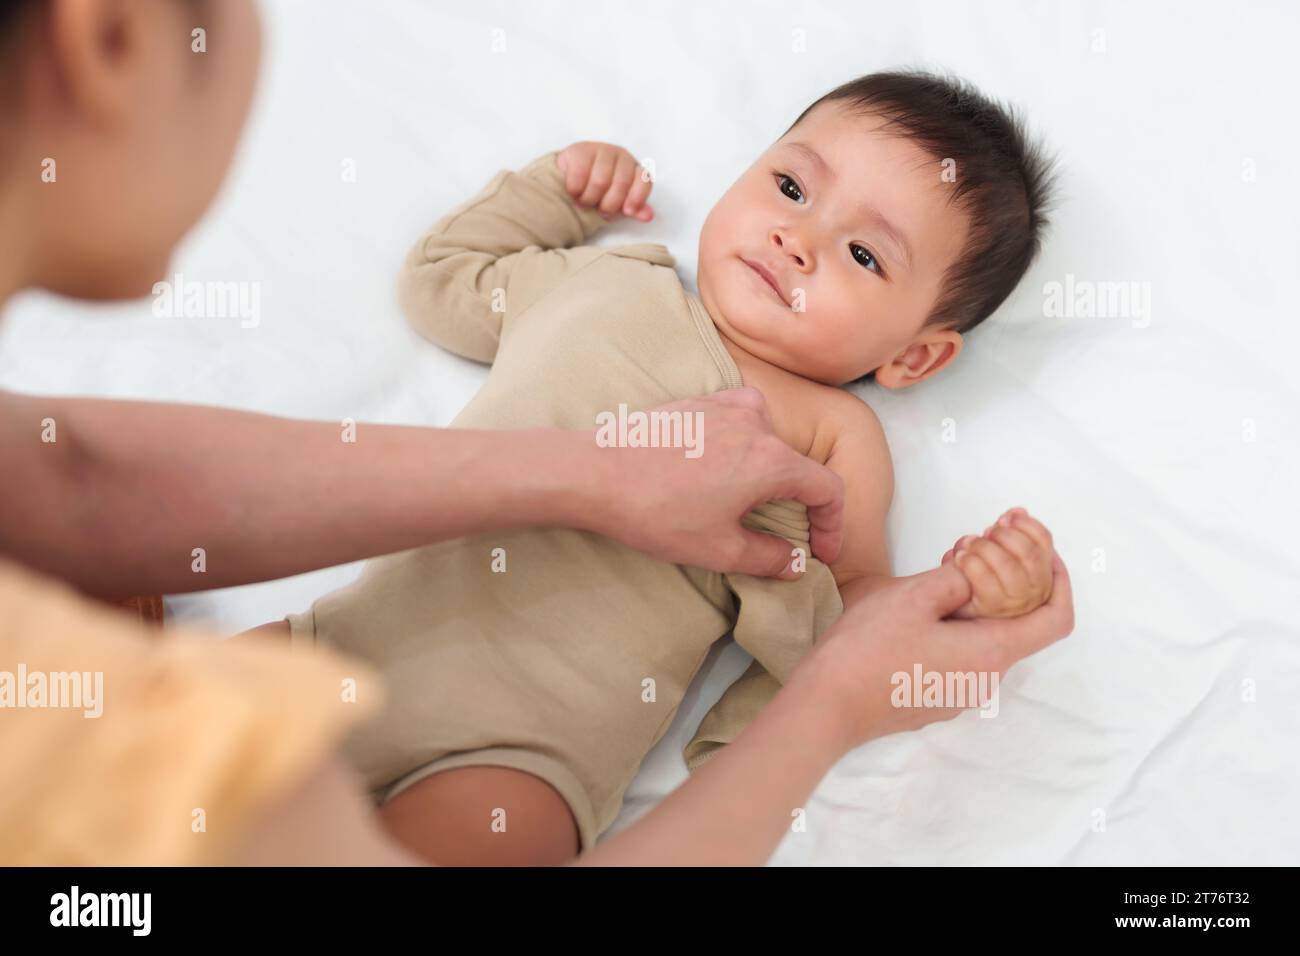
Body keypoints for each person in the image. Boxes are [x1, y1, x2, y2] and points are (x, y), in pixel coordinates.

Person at [0, 0, 1074, 866]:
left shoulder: (834, 432)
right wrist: (552, 194)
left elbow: (839, 623)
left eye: (864, 256)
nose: (799, 238)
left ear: (915, 357)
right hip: (340, 645)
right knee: (128, 757)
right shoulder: (608, 281)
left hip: (518, 754)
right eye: (790, 185)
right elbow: (444, 285)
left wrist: (967, 591)